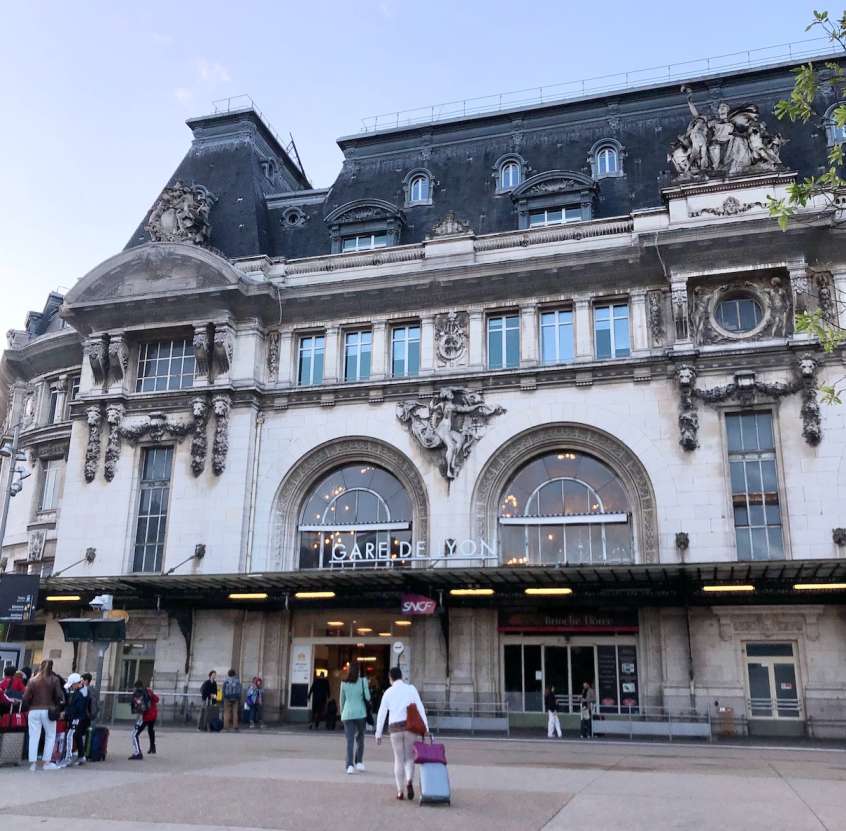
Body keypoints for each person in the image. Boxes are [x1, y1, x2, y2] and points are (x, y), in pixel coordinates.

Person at [375, 666, 428, 801]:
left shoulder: (388, 692)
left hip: (395, 729)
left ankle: (400, 791)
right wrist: (426, 727)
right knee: (409, 757)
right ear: (402, 676)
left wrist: (378, 733)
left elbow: (382, 713)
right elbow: (420, 707)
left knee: (398, 759)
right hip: (410, 727)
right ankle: (409, 780)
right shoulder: (411, 689)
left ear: (390, 678)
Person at [22, 659, 64, 771]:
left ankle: (33, 764)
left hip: (33, 711)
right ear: (52, 667)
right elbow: (60, 696)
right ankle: (46, 763)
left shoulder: (32, 680)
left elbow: (25, 698)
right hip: (48, 710)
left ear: (40, 666)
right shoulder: (54, 679)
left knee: (34, 737)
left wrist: (30, 705)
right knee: (50, 736)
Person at [340, 661, 371, 774]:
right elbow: (368, 697)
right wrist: (366, 687)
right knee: (360, 738)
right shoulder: (363, 681)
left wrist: (342, 713)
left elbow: (342, 700)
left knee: (349, 741)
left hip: (347, 714)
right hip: (360, 714)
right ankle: (359, 762)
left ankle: (349, 766)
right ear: (358, 671)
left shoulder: (343, 683)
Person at [61, 673, 88, 767]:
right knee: (78, 736)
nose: (72, 687)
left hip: (77, 717)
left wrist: (68, 713)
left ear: (76, 683)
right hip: (82, 717)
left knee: (70, 736)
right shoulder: (84, 691)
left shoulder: (79, 694)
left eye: (72, 685)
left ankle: (68, 758)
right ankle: (81, 756)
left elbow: (76, 708)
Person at [129, 679, 153, 760]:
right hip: (146, 716)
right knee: (134, 734)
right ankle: (137, 752)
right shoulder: (146, 692)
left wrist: (139, 717)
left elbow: (140, 706)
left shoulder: (139, 694)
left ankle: (137, 752)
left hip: (142, 717)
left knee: (134, 734)